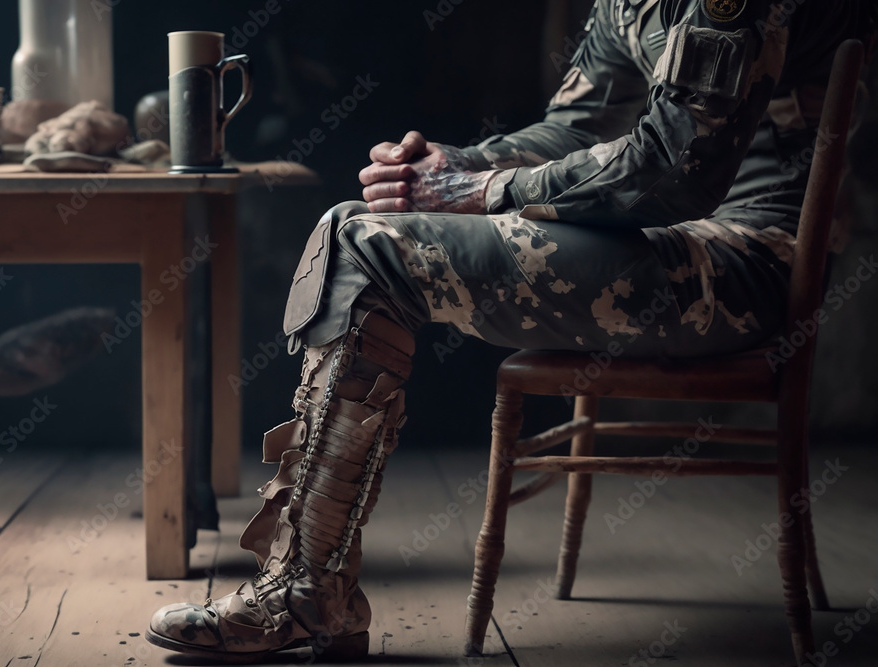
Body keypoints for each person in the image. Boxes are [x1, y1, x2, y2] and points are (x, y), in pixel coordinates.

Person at [146, 0, 876, 661]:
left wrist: (478, 192)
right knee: (355, 226)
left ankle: (307, 591)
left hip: (741, 267)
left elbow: (673, 171)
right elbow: (582, 125)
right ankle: (314, 591)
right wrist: (455, 163)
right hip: (670, 244)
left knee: (368, 246)